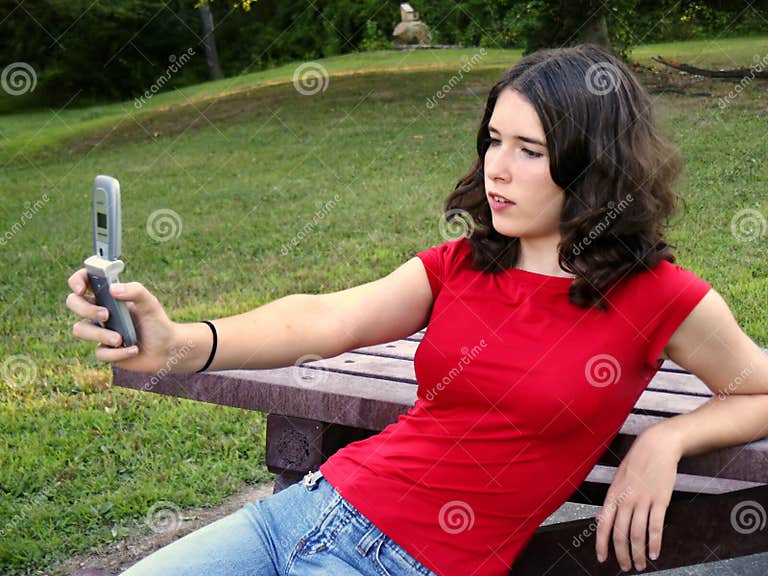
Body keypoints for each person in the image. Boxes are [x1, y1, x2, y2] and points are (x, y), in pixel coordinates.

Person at [65, 44, 768, 576]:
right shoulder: (463, 263)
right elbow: (325, 319)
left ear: (593, 166)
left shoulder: (660, 296)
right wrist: (181, 344)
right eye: (494, 140)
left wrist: (667, 439)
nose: (497, 167)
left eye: (530, 150)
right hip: (304, 512)